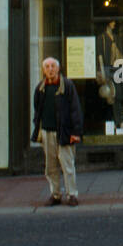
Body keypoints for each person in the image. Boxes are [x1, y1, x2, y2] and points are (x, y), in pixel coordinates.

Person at [32, 57, 83, 206]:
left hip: (64, 132)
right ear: (43, 70)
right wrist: (38, 127)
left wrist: (76, 132)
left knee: (67, 165)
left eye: (53, 66)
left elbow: (75, 109)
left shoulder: (67, 86)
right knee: (50, 167)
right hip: (47, 133)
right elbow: (37, 110)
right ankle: (55, 194)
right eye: (47, 66)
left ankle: (71, 194)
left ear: (58, 68)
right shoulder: (40, 88)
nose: (50, 69)